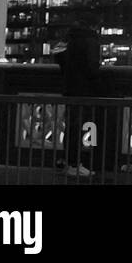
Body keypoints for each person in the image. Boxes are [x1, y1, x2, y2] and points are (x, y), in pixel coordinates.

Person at [55, 17, 102, 179]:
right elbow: (92, 67)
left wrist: (68, 70)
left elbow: (57, 54)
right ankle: (75, 164)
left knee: (71, 127)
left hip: (69, 87)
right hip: (84, 90)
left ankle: (66, 162)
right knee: (80, 127)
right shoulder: (91, 40)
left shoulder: (68, 38)